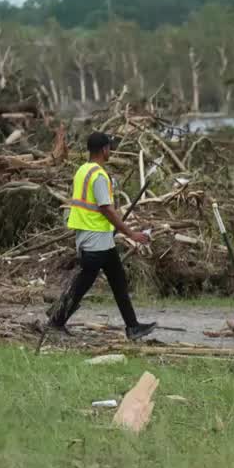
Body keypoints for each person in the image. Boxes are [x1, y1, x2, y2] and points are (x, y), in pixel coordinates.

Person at [48, 132, 158, 340]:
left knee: (118, 282)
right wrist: (131, 233)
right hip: (95, 239)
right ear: (105, 150)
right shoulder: (98, 175)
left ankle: (132, 327)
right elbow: (106, 208)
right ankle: (55, 321)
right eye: (110, 147)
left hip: (98, 238)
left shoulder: (82, 170)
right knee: (82, 285)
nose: (111, 150)